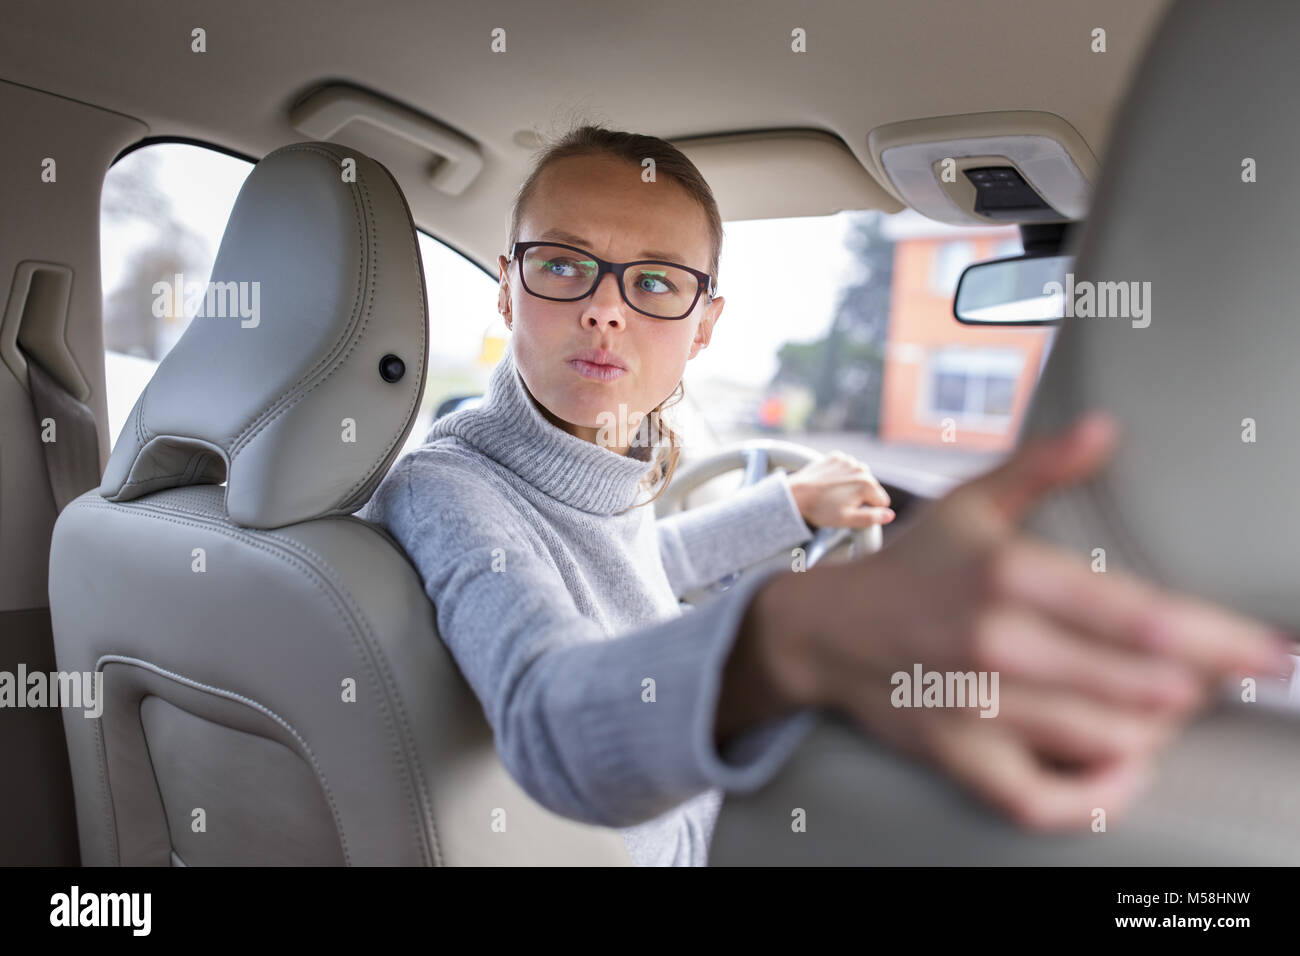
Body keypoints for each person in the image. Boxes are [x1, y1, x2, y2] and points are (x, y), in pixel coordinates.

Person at [358, 124, 1293, 866]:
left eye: (654, 282)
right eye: (564, 265)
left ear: (704, 327)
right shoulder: (449, 489)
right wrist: (793, 632)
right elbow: (547, 711)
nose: (607, 308)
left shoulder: (602, 465)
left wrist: (788, 509)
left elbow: (640, 573)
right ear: (508, 291)